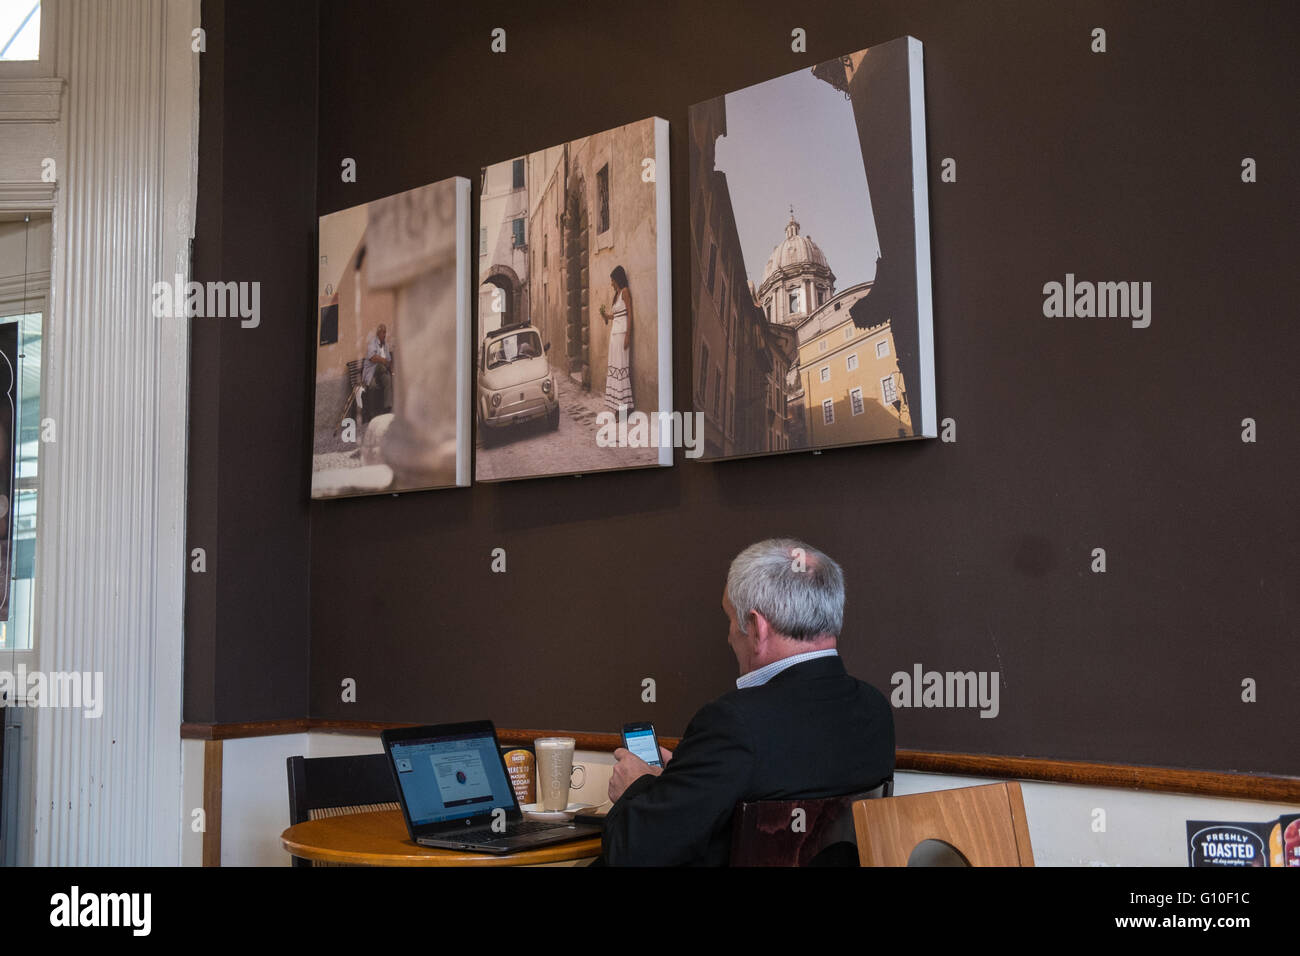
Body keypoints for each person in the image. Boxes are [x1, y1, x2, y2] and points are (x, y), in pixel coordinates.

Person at [600, 538, 895, 866]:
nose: (729, 635)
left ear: (756, 626)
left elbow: (633, 855)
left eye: (730, 619)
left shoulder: (733, 723)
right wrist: (683, 781)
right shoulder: (875, 709)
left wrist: (636, 787)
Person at [598, 266, 634, 413]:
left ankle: (624, 409)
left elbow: (629, 313)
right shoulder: (617, 294)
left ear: (617, 279)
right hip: (614, 334)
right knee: (615, 368)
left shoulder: (625, 292)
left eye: (612, 280)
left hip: (622, 334)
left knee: (621, 369)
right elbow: (618, 314)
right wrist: (607, 316)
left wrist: (628, 336)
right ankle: (618, 407)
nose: (611, 283)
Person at [362, 323, 393, 419]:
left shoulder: (386, 346)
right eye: (383, 332)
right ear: (378, 333)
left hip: (381, 373)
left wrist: (389, 365)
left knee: (388, 379)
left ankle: (387, 408)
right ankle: (372, 413)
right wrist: (384, 361)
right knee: (380, 366)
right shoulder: (372, 343)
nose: (384, 334)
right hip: (372, 371)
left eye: (385, 332)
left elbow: (389, 359)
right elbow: (373, 358)